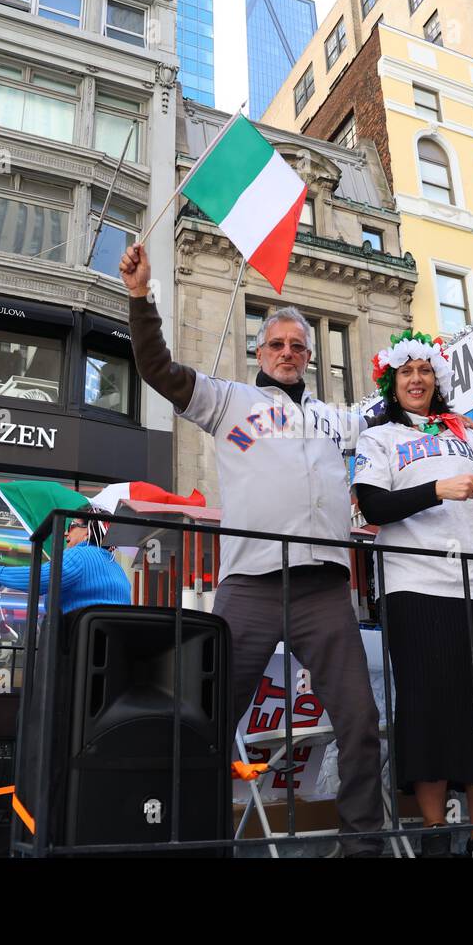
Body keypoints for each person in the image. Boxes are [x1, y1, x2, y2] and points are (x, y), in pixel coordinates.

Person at [119, 242, 385, 856]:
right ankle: (195, 838)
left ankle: (363, 845)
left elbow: (395, 410)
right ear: (259, 352)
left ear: (309, 358)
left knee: (360, 723)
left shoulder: (334, 417)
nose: (288, 353)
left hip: (324, 588)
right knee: (207, 718)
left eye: (297, 347)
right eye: (276, 345)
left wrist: (423, 377)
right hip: (251, 584)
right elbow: (159, 370)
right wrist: (140, 300)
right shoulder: (228, 399)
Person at [353, 334, 473, 858]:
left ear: (437, 380)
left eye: (424, 372)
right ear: (392, 382)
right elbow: (373, 508)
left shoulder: (467, 436)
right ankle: (434, 834)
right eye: (405, 373)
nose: (416, 380)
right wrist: (438, 489)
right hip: (413, 583)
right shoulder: (378, 438)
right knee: (426, 704)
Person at [0, 518, 130, 613]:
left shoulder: (78, 555)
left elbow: (40, 579)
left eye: (72, 526)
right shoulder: (118, 569)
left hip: (76, 647)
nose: (66, 533)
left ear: (88, 531)